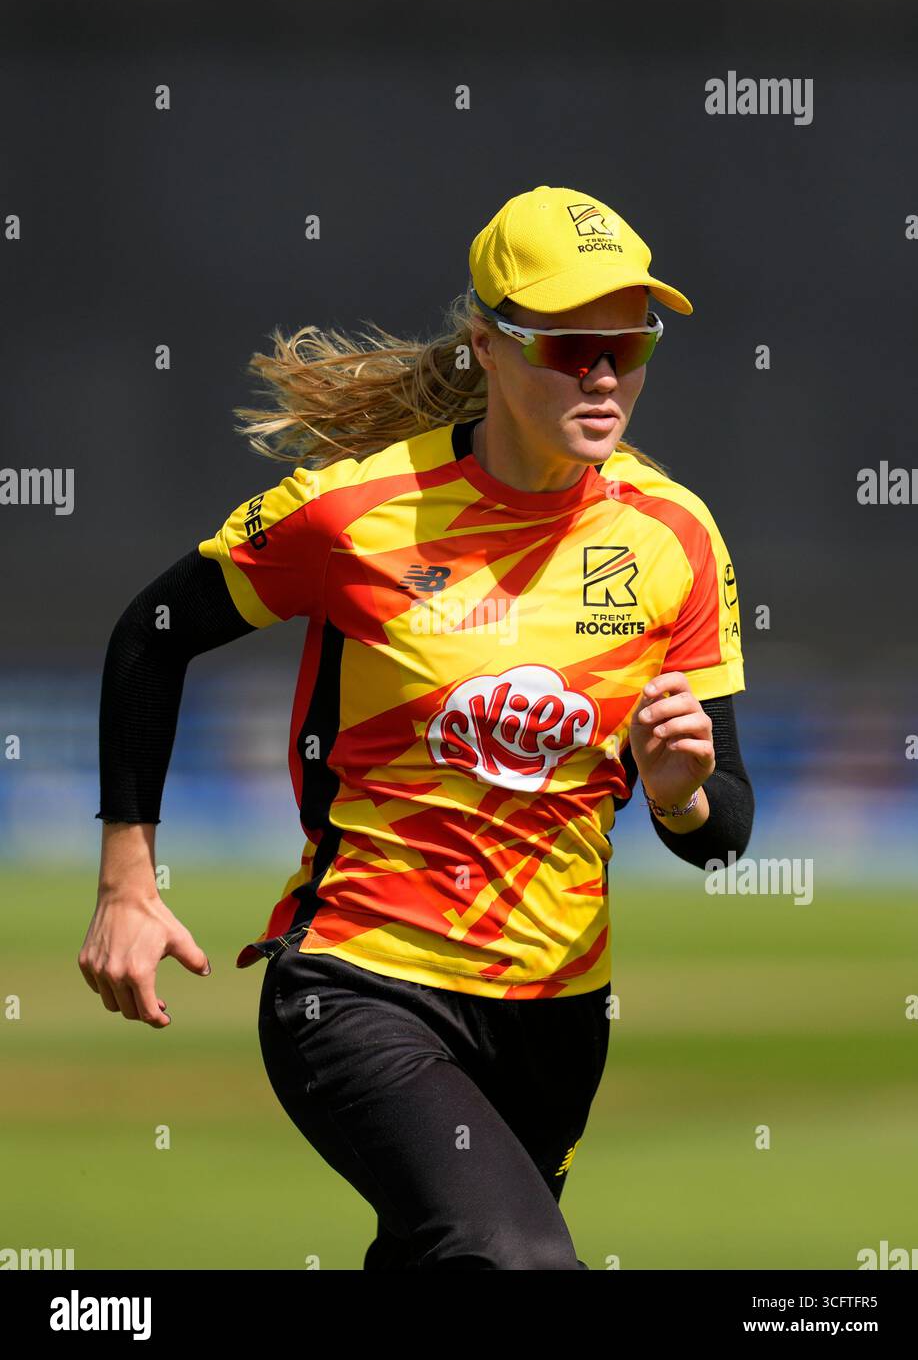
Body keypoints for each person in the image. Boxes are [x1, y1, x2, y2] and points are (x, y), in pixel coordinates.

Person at [79, 184, 754, 1269]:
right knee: (516, 1258)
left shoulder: (674, 533)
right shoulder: (355, 511)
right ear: (486, 344)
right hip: (360, 984)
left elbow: (723, 833)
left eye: (628, 343)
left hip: (556, 1015)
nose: (602, 374)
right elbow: (151, 634)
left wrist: (676, 792)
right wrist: (127, 881)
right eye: (569, 342)